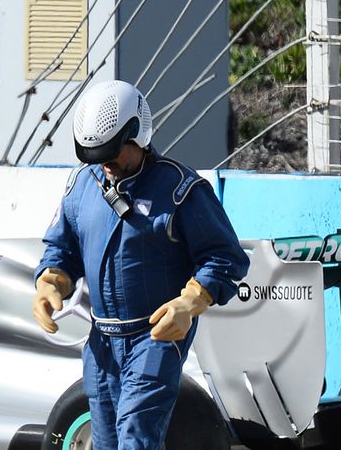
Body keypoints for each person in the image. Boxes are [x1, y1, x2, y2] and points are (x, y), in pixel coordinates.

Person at [32, 80, 249, 450]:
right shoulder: (81, 186)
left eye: (112, 154)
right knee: (106, 442)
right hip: (101, 345)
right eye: (94, 156)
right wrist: (51, 281)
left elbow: (226, 257)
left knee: (136, 437)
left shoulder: (181, 190)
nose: (104, 165)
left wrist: (191, 301)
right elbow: (62, 248)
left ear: (138, 135)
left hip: (155, 338)